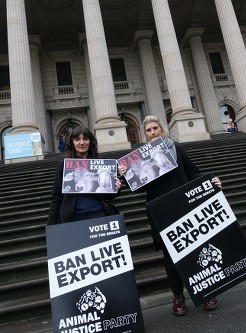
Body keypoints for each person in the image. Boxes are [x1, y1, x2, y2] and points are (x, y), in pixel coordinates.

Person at [118, 115, 222, 316]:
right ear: (144, 134)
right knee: (170, 256)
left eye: (155, 128)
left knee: (194, 250)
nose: (152, 132)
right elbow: (138, 189)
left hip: (184, 207)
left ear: (162, 130)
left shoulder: (176, 149)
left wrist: (210, 182)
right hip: (161, 211)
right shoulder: (139, 158)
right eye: (148, 130)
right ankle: (178, 296)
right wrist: (127, 174)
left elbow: (192, 174)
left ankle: (206, 291)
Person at [47, 127, 121, 225]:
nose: (82, 143)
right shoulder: (63, 165)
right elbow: (56, 198)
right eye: (77, 139)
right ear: (72, 143)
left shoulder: (101, 165)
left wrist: (116, 188)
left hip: (98, 215)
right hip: (72, 219)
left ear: (90, 141)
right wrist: (51, 227)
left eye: (85, 139)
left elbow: (107, 196)